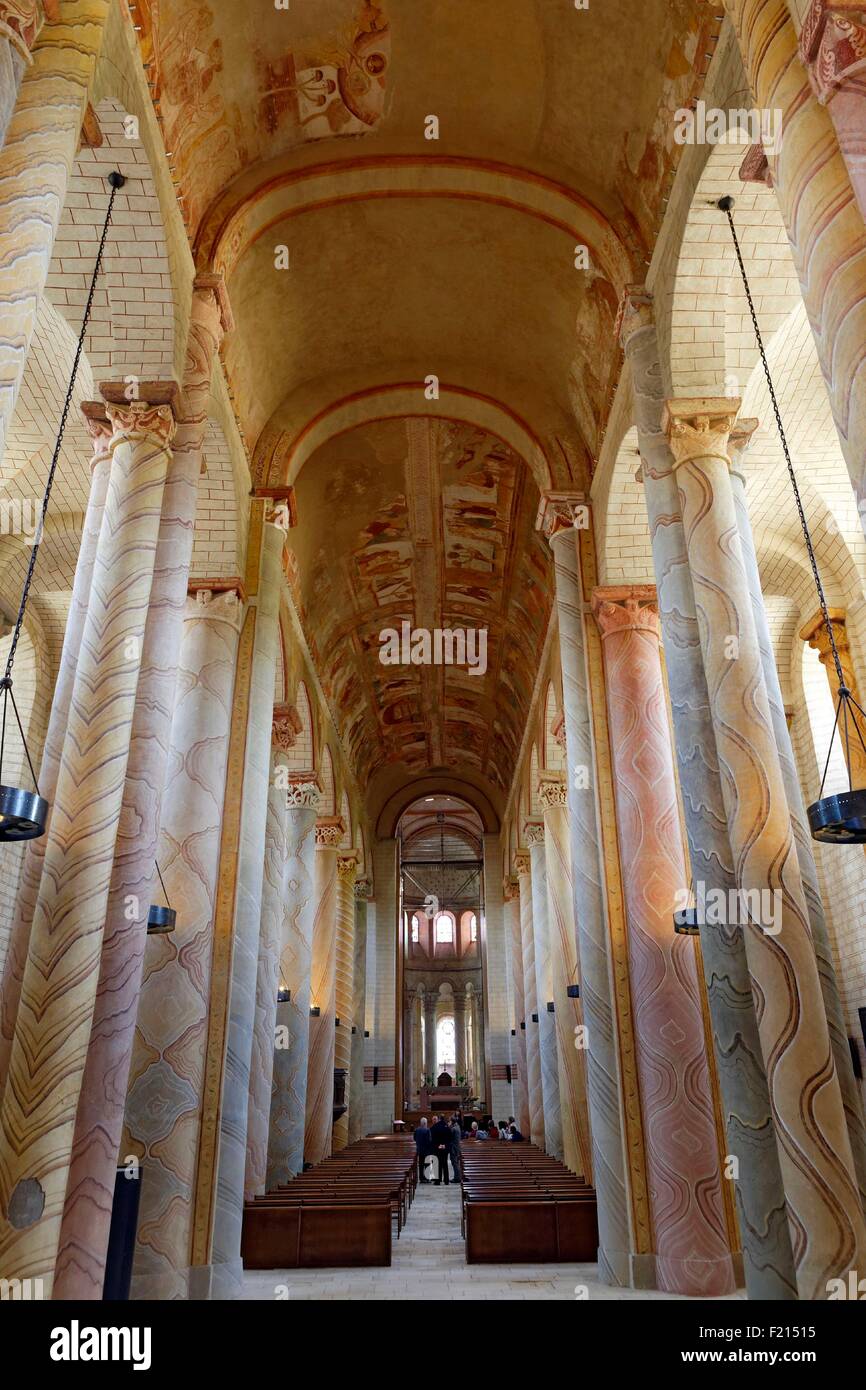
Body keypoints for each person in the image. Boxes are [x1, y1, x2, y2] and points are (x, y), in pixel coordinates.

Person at [430, 1115, 453, 1183]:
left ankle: (438, 1181)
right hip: (445, 1148)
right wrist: (445, 1145)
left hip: (437, 1148)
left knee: (438, 1164)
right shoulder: (447, 1127)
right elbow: (450, 1138)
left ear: (439, 1119)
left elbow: (432, 1138)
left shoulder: (435, 1127)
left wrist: (437, 1145)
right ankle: (446, 1180)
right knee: (445, 1164)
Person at [413, 1116, 433, 1183]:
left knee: (421, 1165)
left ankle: (421, 1178)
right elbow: (429, 1141)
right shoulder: (427, 1130)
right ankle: (427, 1179)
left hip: (420, 1150)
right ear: (425, 1123)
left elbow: (414, 1139)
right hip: (426, 1150)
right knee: (427, 1164)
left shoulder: (416, 1130)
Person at [449, 1114, 462, 1183]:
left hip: (453, 1148)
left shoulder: (453, 1128)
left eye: (450, 1121)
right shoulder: (458, 1127)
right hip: (457, 1147)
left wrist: (449, 1127)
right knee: (456, 1163)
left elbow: (449, 1137)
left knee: (454, 1163)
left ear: (452, 1121)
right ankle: (457, 1176)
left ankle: (457, 1178)